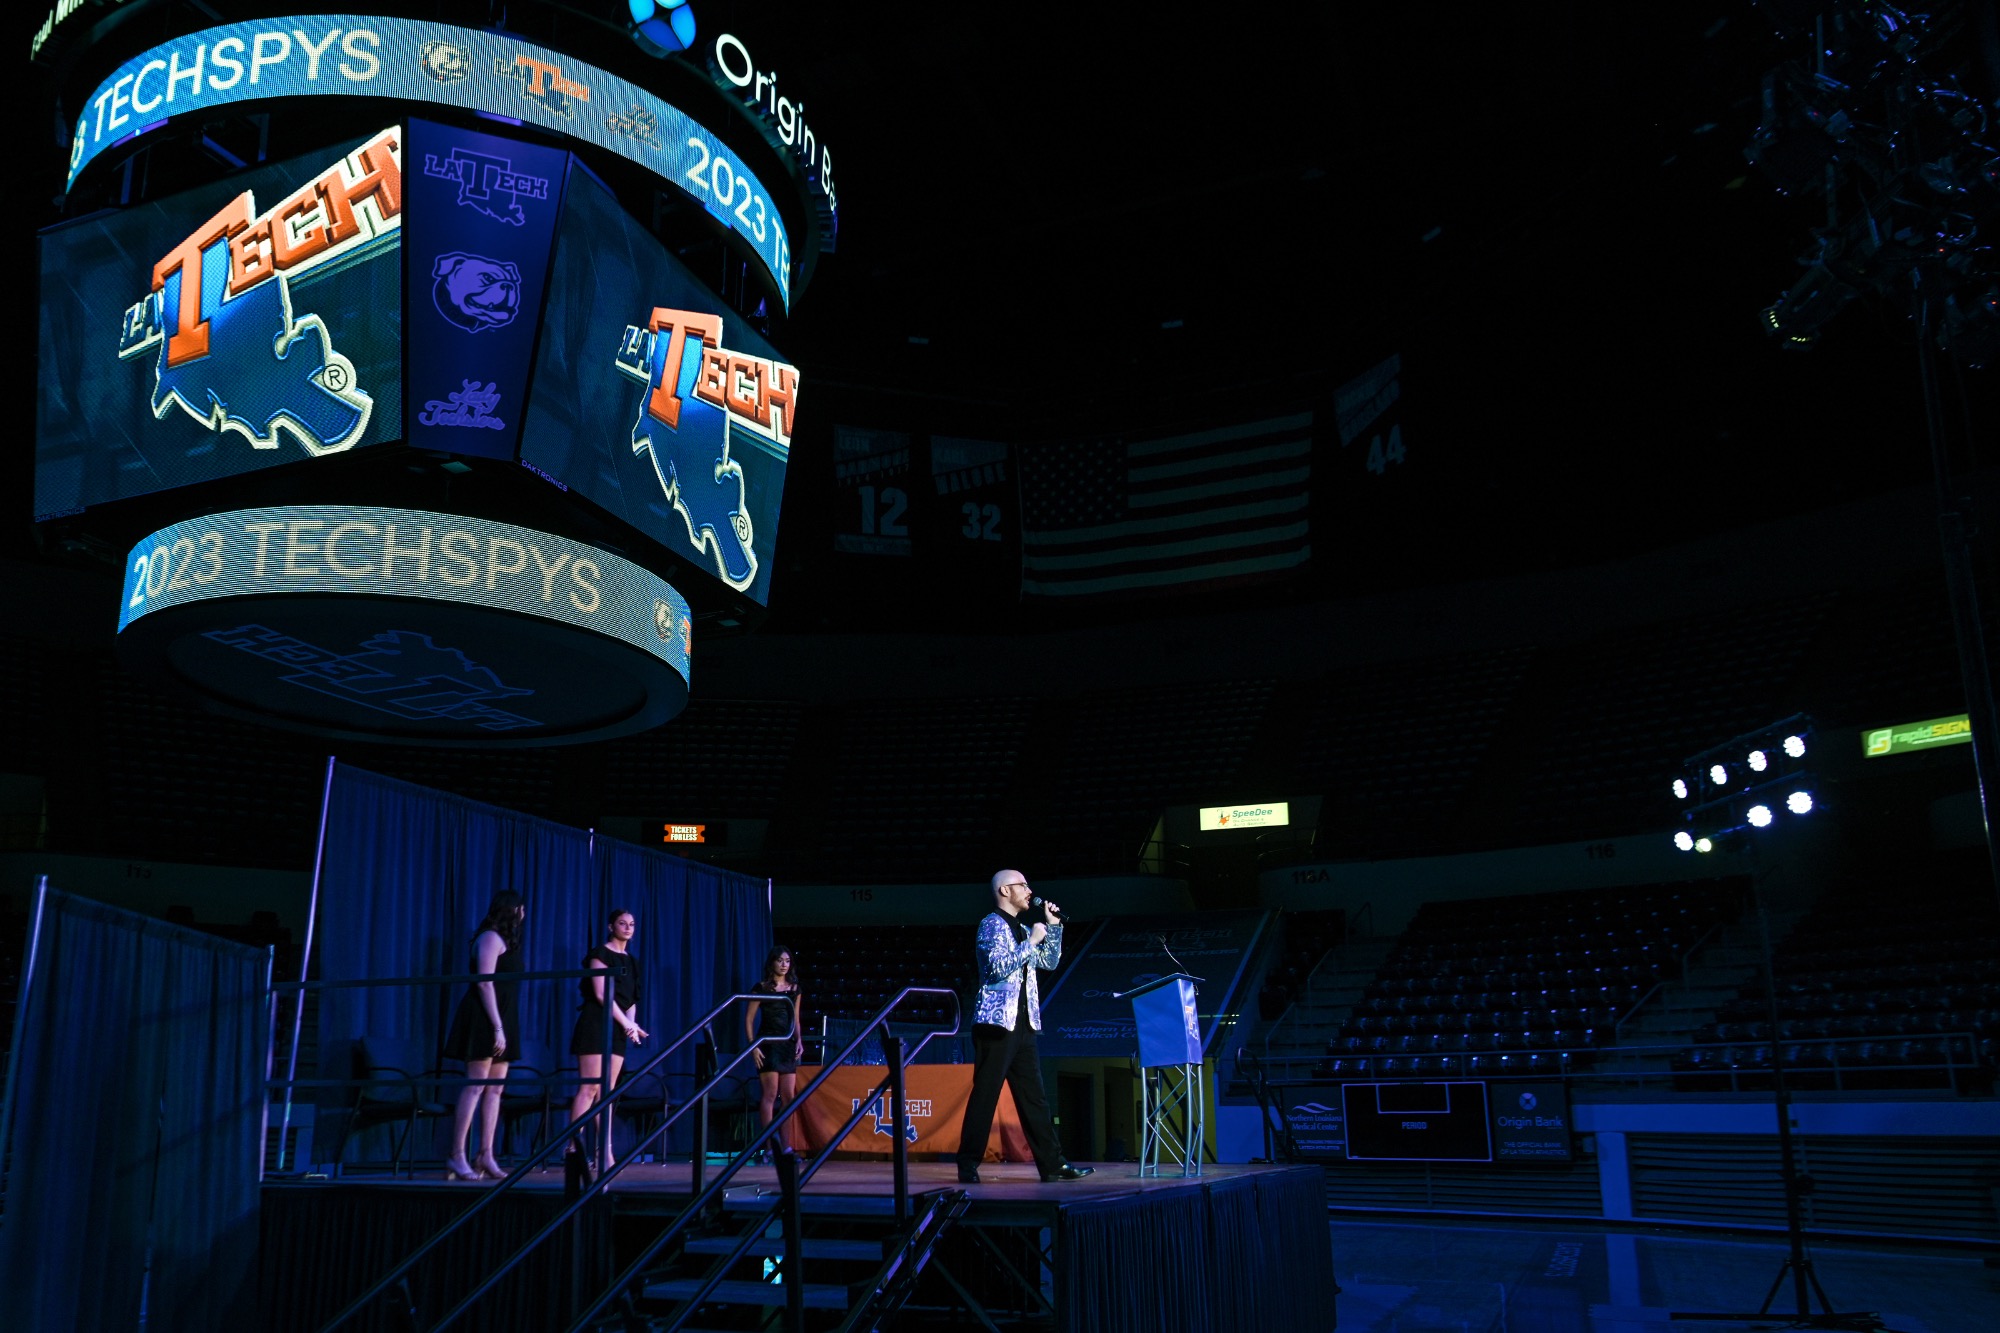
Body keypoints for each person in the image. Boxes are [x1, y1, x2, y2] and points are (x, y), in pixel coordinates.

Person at [954, 870, 1094, 1185]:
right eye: (1023, 885)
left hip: (1024, 1023)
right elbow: (996, 968)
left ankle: (1053, 1164)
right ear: (1005, 890)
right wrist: (1031, 942)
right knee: (986, 1094)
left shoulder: (1024, 927)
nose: (1030, 891)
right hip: (996, 1024)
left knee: (1035, 1098)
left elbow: (1049, 962)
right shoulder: (991, 924)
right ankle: (967, 1163)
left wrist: (1053, 927)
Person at [440, 890, 526, 1182]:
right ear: (511, 910)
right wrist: (497, 1027)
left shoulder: (508, 941)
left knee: (495, 1089)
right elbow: (484, 983)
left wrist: (504, 1025)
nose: (523, 915)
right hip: (484, 1017)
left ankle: (485, 1154)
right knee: (476, 1085)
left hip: (504, 1016)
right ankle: (456, 1154)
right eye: (520, 909)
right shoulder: (489, 937)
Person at [567, 907, 647, 1174]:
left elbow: (631, 1000)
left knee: (607, 1093)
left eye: (631, 924)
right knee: (590, 1088)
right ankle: (573, 1147)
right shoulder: (600, 954)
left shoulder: (632, 962)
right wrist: (626, 1023)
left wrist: (631, 1025)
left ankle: (604, 1150)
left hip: (618, 1028)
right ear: (611, 926)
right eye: (622, 923)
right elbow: (602, 994)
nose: (628, 928)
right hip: (596, 1023)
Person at [743, 945, 805, 1161]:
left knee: (789, 1096)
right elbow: (749, 1019)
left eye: (787, 961)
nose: (784, 965)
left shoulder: (795, 988)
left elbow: (796, 1019)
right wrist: (753, 1046)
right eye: (780, 960)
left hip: (787, 1045)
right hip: (768, 1044)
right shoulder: (761, 987)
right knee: (770, 1094)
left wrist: (799, 1040)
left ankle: (785, 1146)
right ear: (772, 963)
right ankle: (769, 1147)